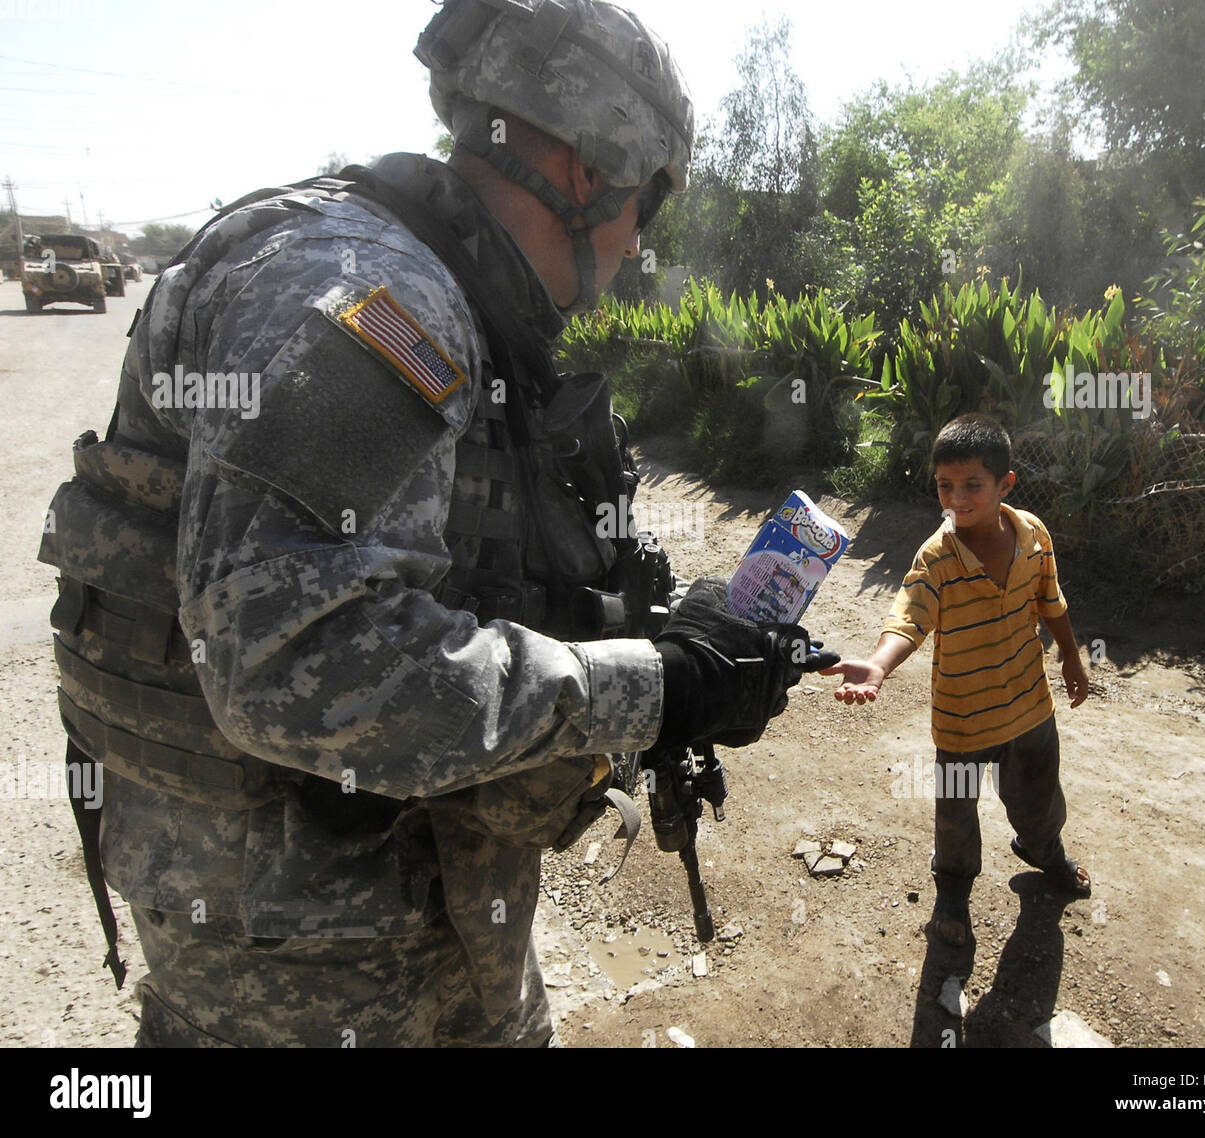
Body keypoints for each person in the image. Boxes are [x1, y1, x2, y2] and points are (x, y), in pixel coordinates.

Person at [37, 0, 831, 1047]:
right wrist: (657, 687)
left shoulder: (432, 285)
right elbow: (296, 660)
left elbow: (455, 577)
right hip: (312, 976)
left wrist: (656, 631)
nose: (639, 240)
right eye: (650, 202)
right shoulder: (376, 294)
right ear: (594, 168)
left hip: (415, 923)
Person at [821, 413, 1090, 947]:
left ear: (1004, 484)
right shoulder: (937, 557)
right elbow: (909, 617)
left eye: (973, 485)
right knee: (955, 817)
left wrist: (1071, 657)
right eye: (945, 486)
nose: (957, 498)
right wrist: (879, 665)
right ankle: (953, 894)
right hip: (961, 720)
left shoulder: (1033, 534)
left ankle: (1045, 854)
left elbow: (1051, 600)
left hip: (1030, 708)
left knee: (1039, 801)